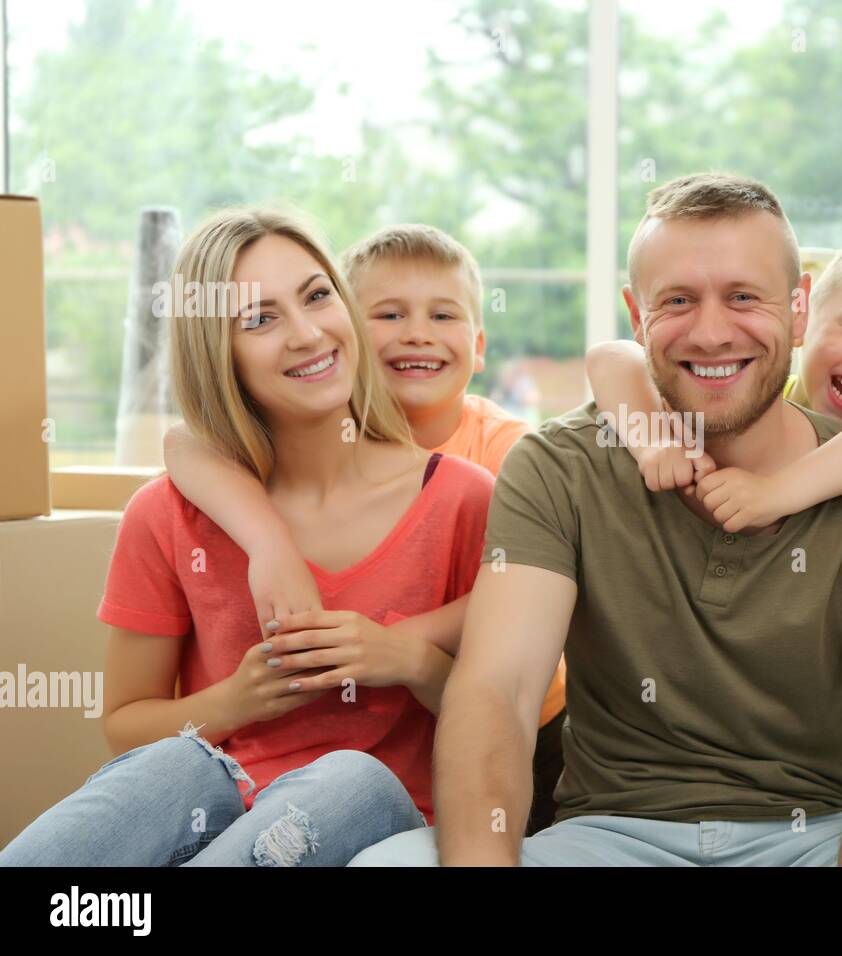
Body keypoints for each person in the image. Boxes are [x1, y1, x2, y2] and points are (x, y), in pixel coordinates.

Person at [351, 172, 842, 867]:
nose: (713, 331)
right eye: (679, 301)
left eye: (744, 297)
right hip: (614, 839)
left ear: (797, 311)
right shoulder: (560, 465)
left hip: (823, 839)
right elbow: (497, 693)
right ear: (636, 314)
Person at [0, 208, 492, 866]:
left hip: (385, 820)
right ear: (218, 352)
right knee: (179, 766)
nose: (307, 333)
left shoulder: (463, 499)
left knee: (350, 777)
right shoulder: (169, 514)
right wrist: (236, 701)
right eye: (259, 319)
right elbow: (127, 725)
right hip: (218, 816)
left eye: (318, 296)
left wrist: (410, 661)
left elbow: (504, 717)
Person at [162, 223, 567, 834]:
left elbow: (539, 578)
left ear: (479, 345)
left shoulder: (498, 459)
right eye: (389, 314)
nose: (417, 334)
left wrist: (396, 640)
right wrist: (268, 542)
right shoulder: (291, 443)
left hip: (527, 728)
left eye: (442, 315)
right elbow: (184, 440)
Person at [585, 236, 842, 532]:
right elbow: (610, 357)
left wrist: (772, 494)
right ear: (801, 318)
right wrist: (654, 442)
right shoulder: (770, 396)